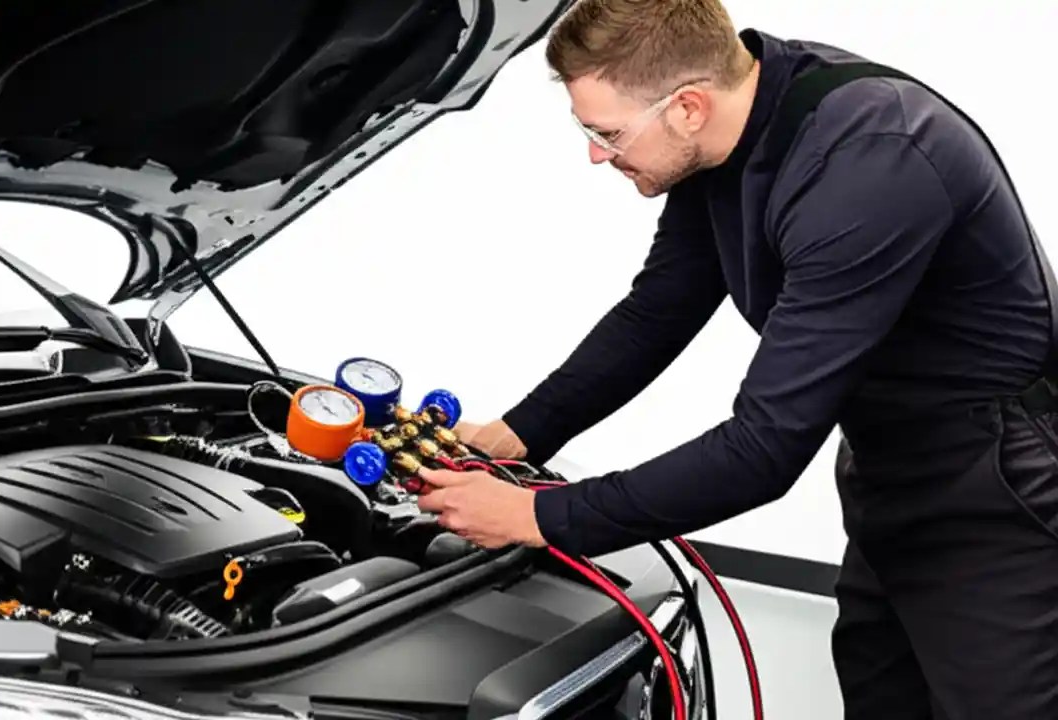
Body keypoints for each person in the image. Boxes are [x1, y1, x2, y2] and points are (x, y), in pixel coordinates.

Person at [412, 0, 1058, 717]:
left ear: (687, 106)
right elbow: (656, 312)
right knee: (883, 696)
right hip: (889, 469)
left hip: (998, 485)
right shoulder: (735, 128)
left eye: (606, 132)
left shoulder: (873, 160)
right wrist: (517, 434)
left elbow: (762, 450)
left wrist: (544, 516)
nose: (597, 154)